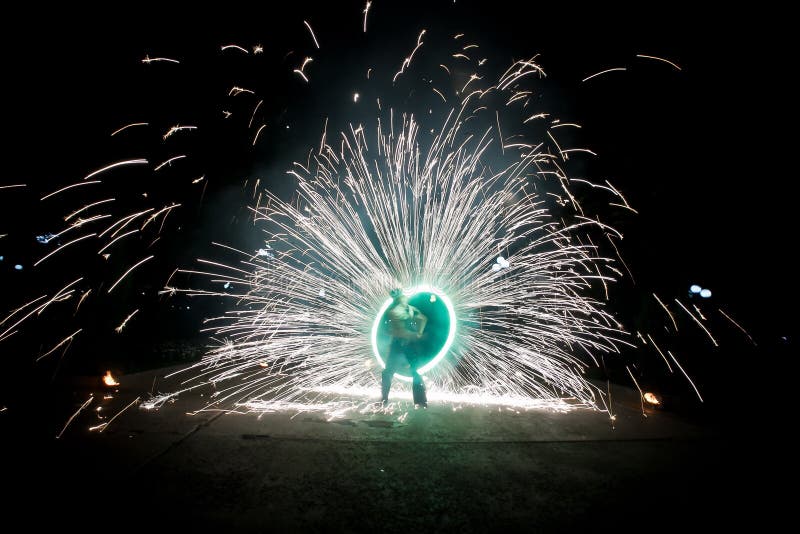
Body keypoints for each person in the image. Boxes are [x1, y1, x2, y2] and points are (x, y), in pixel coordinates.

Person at [381, 288, 428, 408]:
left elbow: (422, 319)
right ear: (400, 298)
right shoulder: (407, 309)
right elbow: (423, 318)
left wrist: (417, 333)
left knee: (389, 372)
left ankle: (384, 399)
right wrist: (418, 333)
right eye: (403, 297)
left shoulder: (396, 310)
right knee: (411, 371)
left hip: (400, 344)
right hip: (405, 344)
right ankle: (421, 402)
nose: (405, 298)